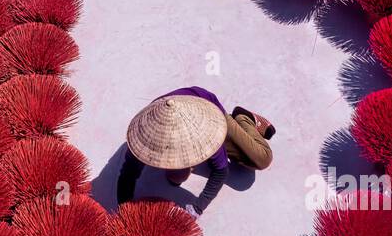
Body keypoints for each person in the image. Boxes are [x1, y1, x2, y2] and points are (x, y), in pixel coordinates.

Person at [117, 88, 274, 207]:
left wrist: (198, 207)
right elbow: (127, 174)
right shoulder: (144, 136)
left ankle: (244, 118)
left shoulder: (206, 130)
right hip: (171, 110)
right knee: (175, 177)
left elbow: (220, 171)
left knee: (262, 159)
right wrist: (125, 209)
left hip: (207, 107)